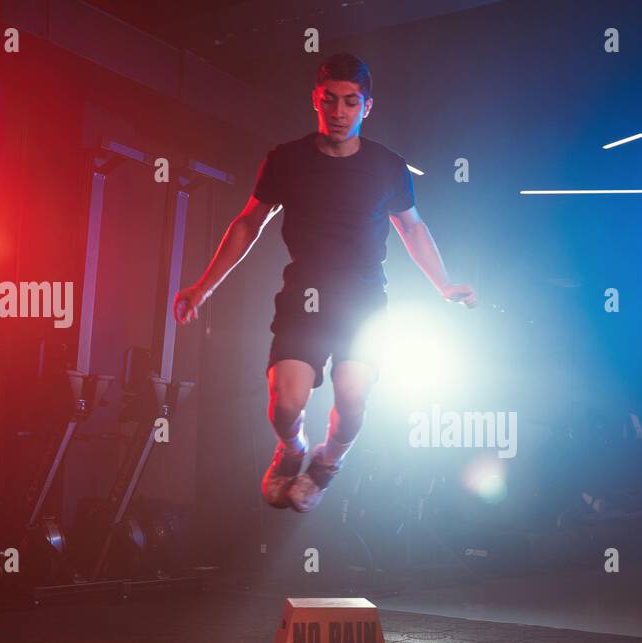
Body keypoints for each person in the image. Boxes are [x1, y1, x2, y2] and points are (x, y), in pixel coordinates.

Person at [173, 53, 476, 512]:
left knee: (352, 397)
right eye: (330, 100)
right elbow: (248, 223)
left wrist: (445, 285)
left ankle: (328, 460)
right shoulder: (286, 160)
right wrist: (204, 286)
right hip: (304, 296)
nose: (339, 112)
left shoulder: (388, 166)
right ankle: (292, 449)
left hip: (362, 300)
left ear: (366, 107)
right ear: (316, 100)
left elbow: (412, 227)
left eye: (351, 102)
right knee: (284, 405)